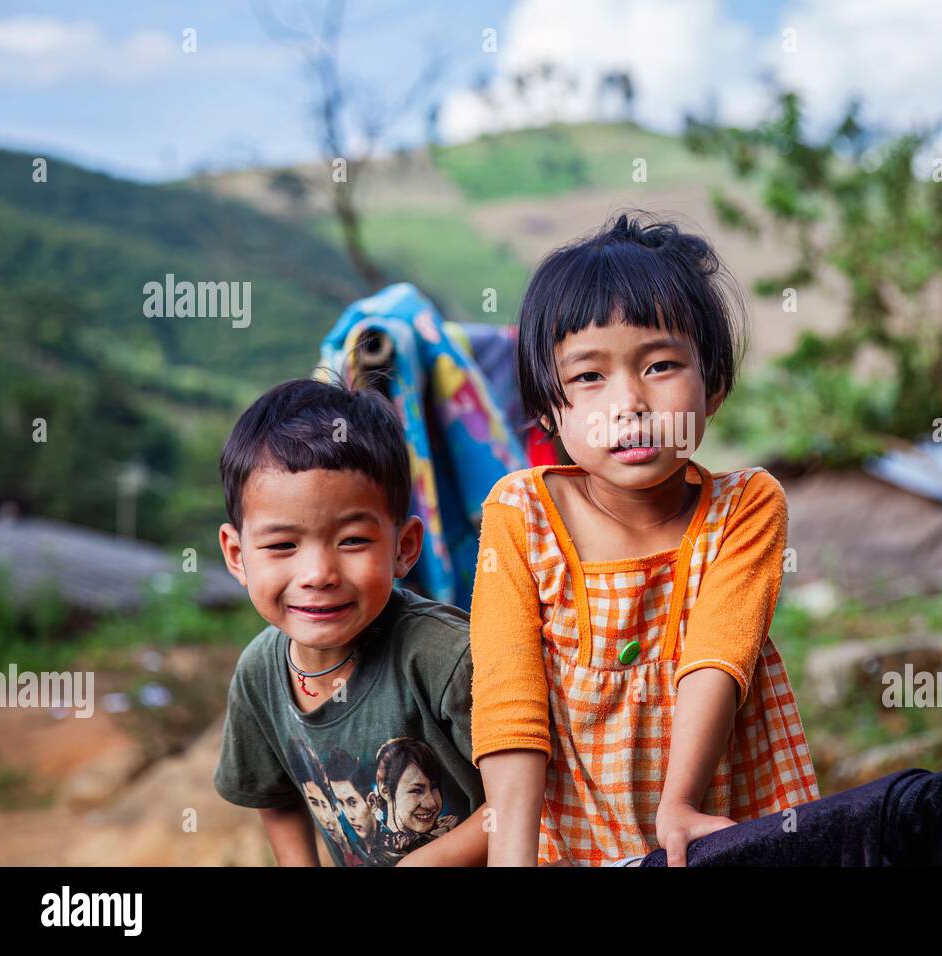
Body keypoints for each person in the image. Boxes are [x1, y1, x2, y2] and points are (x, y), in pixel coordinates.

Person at [470, 211, 820, 866]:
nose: (628, 402)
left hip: (716, 822)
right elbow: (507, 693)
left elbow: (717, 654)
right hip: (574, 841)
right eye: (588, 376)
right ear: (549, 408)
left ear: (714, 385)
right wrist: (510, 856)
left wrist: (679, 804)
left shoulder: (745, 507)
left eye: (660, 365)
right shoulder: (520, 513)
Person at [212, 377, 488, 866]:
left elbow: (534, 794)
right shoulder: (259, 674)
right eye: (281, 546)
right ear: (237, 555)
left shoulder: (447, 657)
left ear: (403, 547)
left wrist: (430, 861)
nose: (318, 574)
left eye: (353, 541)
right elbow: (274, 797)